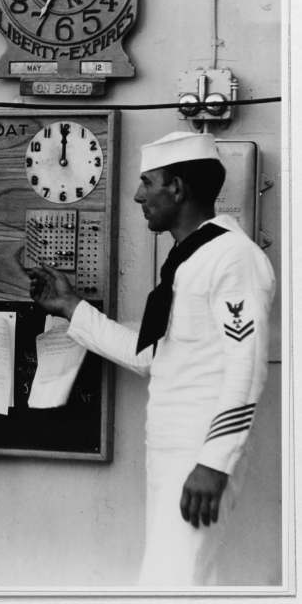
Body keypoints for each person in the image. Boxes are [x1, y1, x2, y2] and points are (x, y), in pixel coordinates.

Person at [29, 131, 276, 586]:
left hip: (198, 452)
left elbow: (248, 364)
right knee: (180, 581)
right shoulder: (187, 260)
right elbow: (151, 359)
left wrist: (215, 461)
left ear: (177, 188)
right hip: (172, 452)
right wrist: (71, 309)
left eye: (148, 182)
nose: (139, 195)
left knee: (172, 583)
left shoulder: (232, 259)